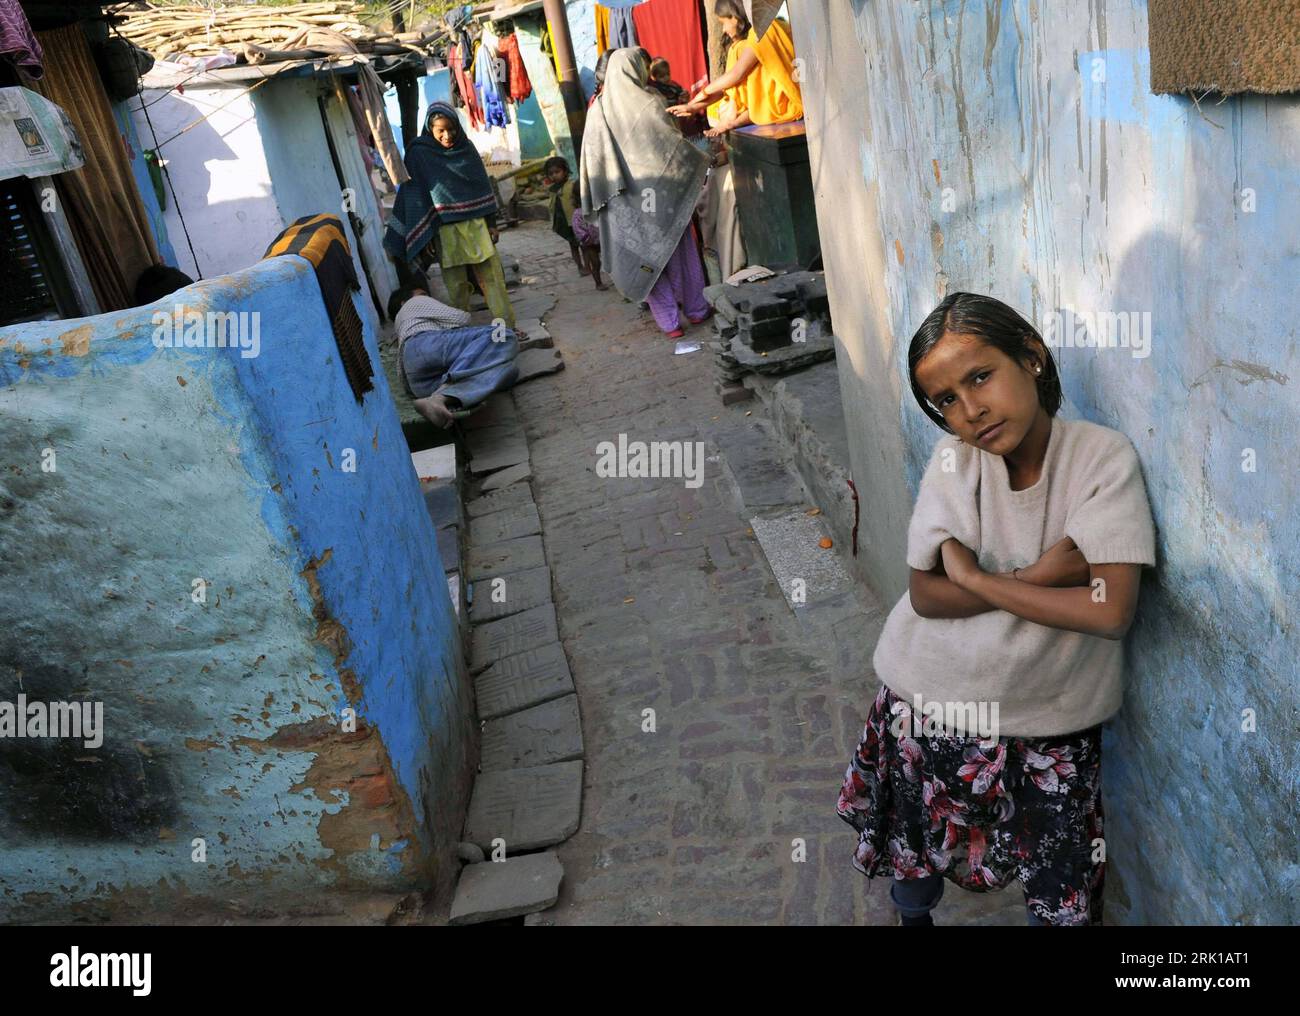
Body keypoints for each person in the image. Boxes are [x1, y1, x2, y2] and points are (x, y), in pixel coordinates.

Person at [835, 292, 1157, 927]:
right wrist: (1042, 578)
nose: (970, 410)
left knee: (1060, 886)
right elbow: (927, 595)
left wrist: (978, 578)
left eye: (980, 376)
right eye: (946, 399)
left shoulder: (1100, 460)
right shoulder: (956, 462)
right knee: (916, 855)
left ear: (1031, 357)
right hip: (929, 695)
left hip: (1051, 716)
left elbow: (1109, 610)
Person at [580, 48, 711, 338]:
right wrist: (702, 158)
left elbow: (593, 162)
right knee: (680, 252)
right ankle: (697, 310)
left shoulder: (596, 111)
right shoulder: (650, 101)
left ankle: (669, 324)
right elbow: (672, 148)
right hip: (662, 199)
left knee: (644, 259)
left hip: (625, 203)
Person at [383, 102, 516, 329]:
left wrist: (492, 223)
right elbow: (415, 196)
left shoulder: (467, 148)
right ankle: (461, 330)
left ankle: (508, 327)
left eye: (451, 129)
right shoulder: (419, 154)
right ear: (429, 128)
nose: (448, 135)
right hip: (444, 230)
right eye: (440, 131)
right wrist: (425, 237)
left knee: (492, 278)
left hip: (476, 226)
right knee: (456, 286)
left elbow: (482, 187)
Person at [387, 284, 518, 428]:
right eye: (423, 294)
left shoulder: (400, 328)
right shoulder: (413, 303)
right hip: (425, 344)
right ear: (403, 302)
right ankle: (445, 392)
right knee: (503, 335)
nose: (428, 298)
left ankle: (439, 398)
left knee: (510, 370)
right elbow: (461, 318)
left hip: (419, 384)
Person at [668, 0, 803, 136]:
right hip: (776, 103)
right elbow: (729, 85)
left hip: (789, 103)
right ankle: (732, 117)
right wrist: (693, 106)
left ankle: (732, 117)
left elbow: (736, 75)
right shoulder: (757, 35)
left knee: (736, 51)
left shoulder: (764, 31)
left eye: (723, 23)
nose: (724, 30)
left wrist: (699, 97)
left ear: (734, 17)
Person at [543, 156, 584, 274]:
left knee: (583, 245)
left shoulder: (572, 185)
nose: (554, 175)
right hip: (563, 222)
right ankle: (580, 267)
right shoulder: (552, 189)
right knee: (573, 245)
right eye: (551, 173)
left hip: (575, 221)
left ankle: (588, 266)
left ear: (565, 171)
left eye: (557, 172)